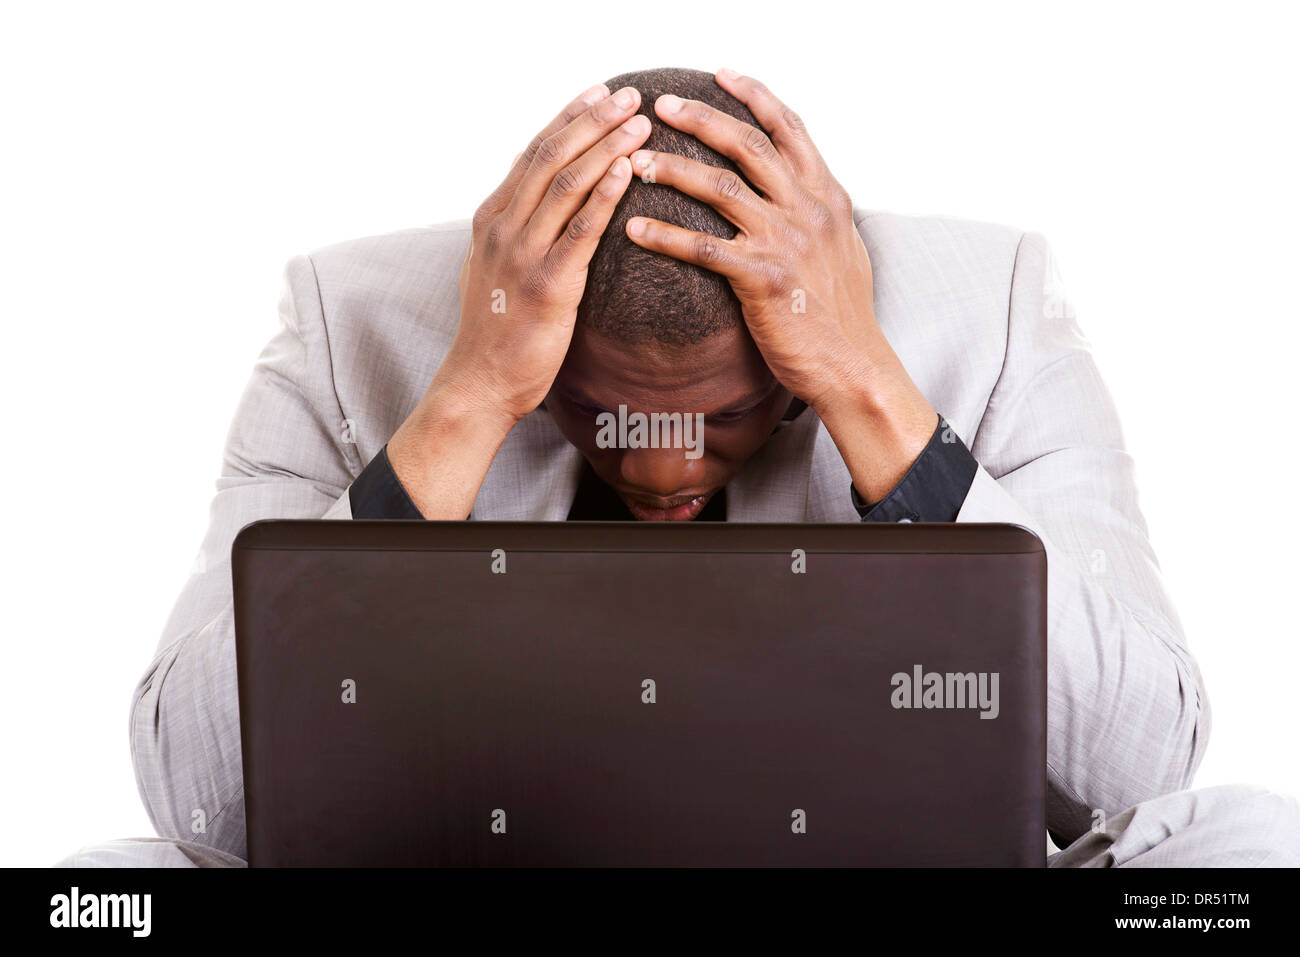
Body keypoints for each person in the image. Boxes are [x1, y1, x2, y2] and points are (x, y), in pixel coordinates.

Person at [56, 67, 1298, 867]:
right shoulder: (357, 325)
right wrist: (474, 397)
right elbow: (197, 802)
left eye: (739, 414)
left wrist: (866, 388)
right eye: (596, 413)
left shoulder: (988, 312)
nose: (662, 473)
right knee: (106, 896)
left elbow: (1140, 775)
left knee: (1249, 851)